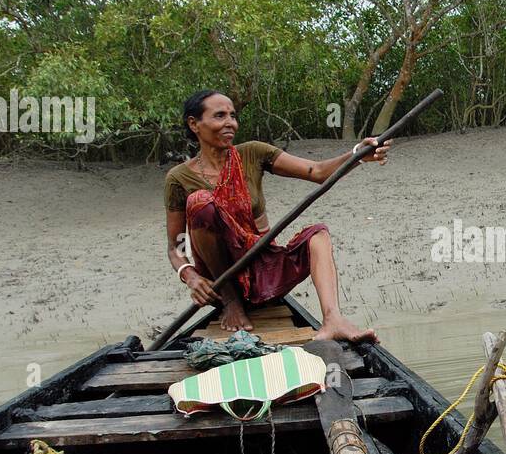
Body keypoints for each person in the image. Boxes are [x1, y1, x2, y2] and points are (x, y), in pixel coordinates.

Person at [164, 89, 388, 342]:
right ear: (194, 124)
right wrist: (189, 275)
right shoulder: (179, 178)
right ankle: (232, 302)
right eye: (219, 116)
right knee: (200, 202)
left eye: (233, 116)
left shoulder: (253, 153)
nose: (230, 123)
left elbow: (317, 171)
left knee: (318, 234)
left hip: (263, 268)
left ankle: (333, 319)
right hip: (220, 279)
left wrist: (357, 154)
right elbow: (176, 245)